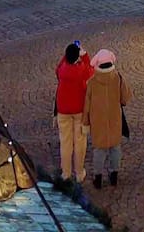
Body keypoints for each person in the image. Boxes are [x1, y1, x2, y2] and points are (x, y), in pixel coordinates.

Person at [83, 48, 132, 189]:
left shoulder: (92, 82)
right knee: (115, 149)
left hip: (98, 121)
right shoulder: (117, 78)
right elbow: (125, 98)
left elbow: (87, 104)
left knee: (99, 150)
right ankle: (114, 175)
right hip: (115, 119)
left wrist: (85, 123)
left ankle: (98, 178)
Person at [55, 42, 94, 184]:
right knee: (80, 142)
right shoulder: (81, 70)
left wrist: (68, 55)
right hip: (79, 110)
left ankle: (66, 173)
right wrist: (84, 56)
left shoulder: (62, 70)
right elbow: (91, 70)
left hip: (63, 110)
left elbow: (58, 68)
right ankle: (79, 172)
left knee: (65, 142)